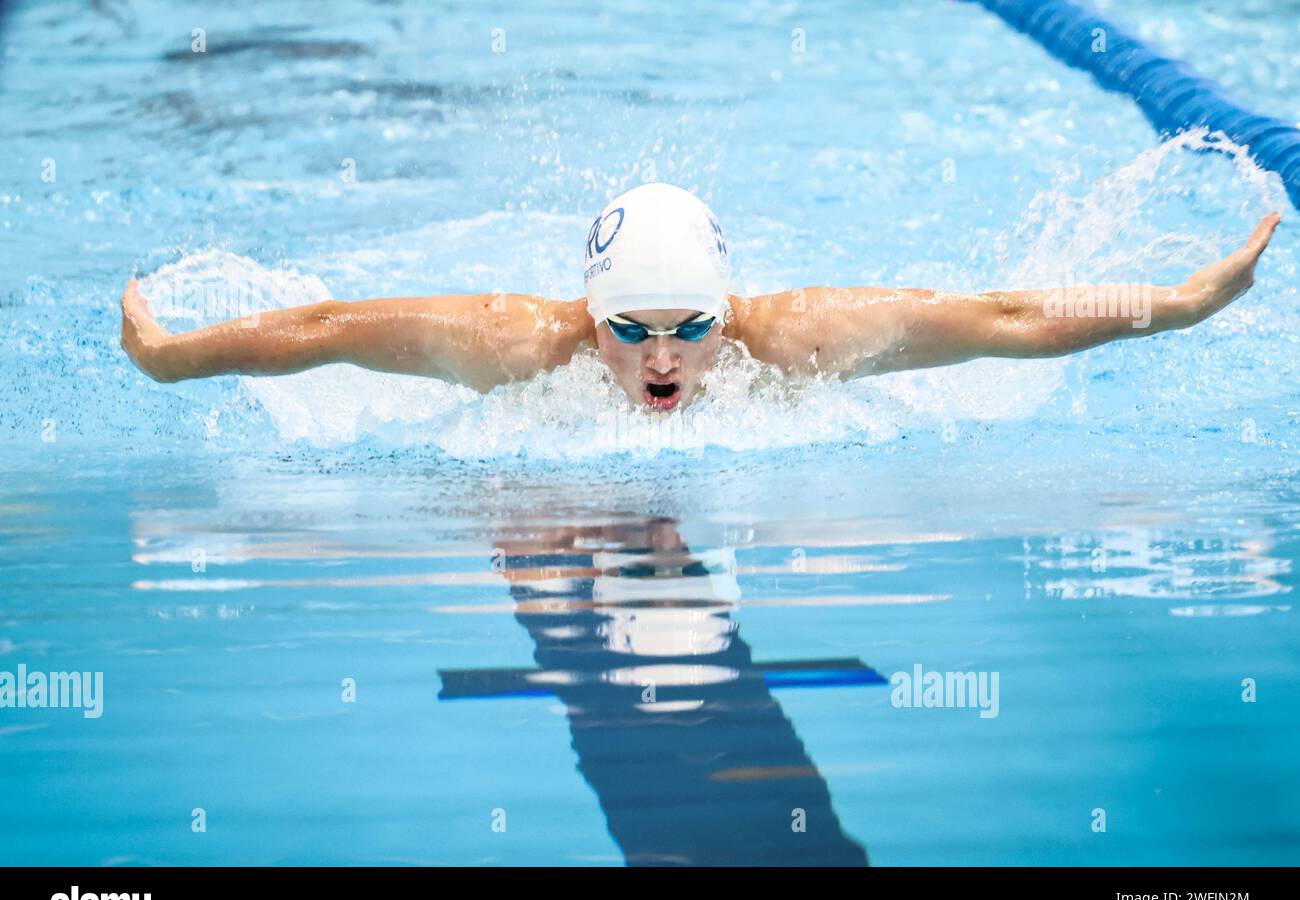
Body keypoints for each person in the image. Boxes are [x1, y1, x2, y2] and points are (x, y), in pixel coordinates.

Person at [120, 182, 1281, 413]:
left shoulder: (802, 339)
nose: (662, 358)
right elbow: (326, 331)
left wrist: (1177, 303)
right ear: (592, 316)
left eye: (692, 329)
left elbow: (1003, 320)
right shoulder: (518, 348)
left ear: (733, 312)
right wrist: (174, 356)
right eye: (632, 330)